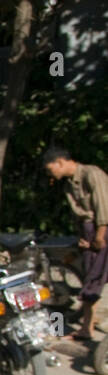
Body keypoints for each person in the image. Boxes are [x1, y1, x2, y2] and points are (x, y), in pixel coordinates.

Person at [43, 145, 108, 341]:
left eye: (50, 168)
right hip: (88, 231)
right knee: (91, 277)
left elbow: (103, 207)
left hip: (101, 230)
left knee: (93, 280)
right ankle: (87, 326)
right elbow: (78, 215)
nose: (50, 173)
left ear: (60, 162)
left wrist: (99, 236)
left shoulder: (91, 174)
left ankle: (87, 327)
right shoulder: (69, 184)